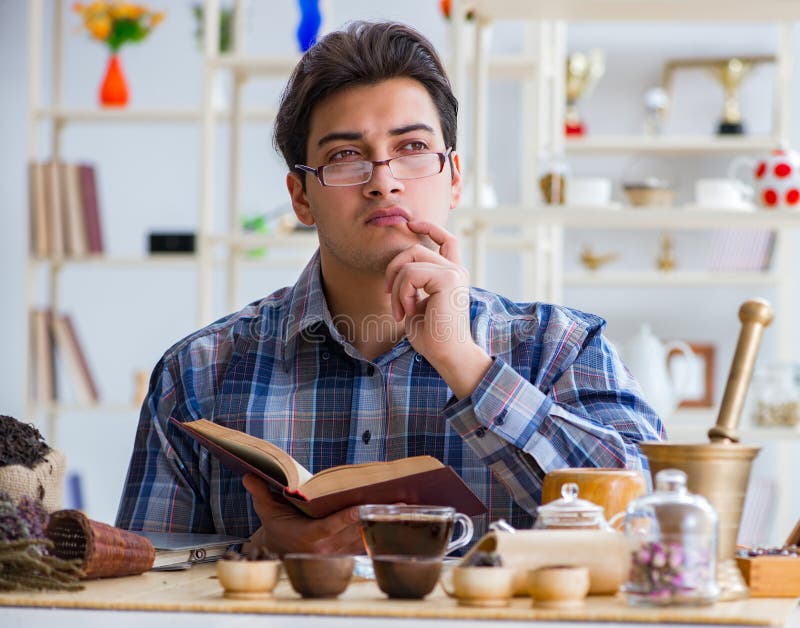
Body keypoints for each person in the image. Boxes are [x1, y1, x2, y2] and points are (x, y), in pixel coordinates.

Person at [116, 21, 663, 555]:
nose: (384, 179)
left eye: (413, 147)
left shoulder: (562, 348)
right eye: (345, 156)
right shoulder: (197, 374)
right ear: (301, 196)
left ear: (454, 177)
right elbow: (142, 592)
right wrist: (257, 554)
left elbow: (659, 529)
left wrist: (466, 365)